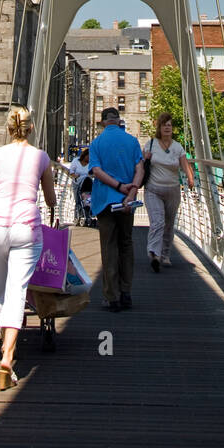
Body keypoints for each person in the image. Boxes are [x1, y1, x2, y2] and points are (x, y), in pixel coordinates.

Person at [0, 106, 55, 389]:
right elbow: (48, 197)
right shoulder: (41, 157)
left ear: (8, 129)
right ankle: (8, 358)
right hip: (26, 229)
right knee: (16, 292)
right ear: (31, 128)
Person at [88, 108, 144, 312]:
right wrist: (131, 192)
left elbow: (96, 171)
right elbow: (140, 169)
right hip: (127, 202)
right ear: (118, 121)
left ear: (103, 123)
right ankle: (126, 292)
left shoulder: (96, 144)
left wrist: (118, 186)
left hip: (105, 202)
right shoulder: (132, 141)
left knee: (109, 247)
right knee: (126, 244)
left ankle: (111, 296)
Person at [144, 112, 194, 271]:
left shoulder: (177, 146)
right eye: (164, 125)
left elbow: (185, 164)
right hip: (153, 189)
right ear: (159, 127)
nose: (167, 127)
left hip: (172, 190)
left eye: (169, 125)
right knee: (157, 222)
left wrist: (190, 178)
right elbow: (142, 163)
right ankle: (154, 254)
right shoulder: (151, 144)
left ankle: (165, 255)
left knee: (169, 224)